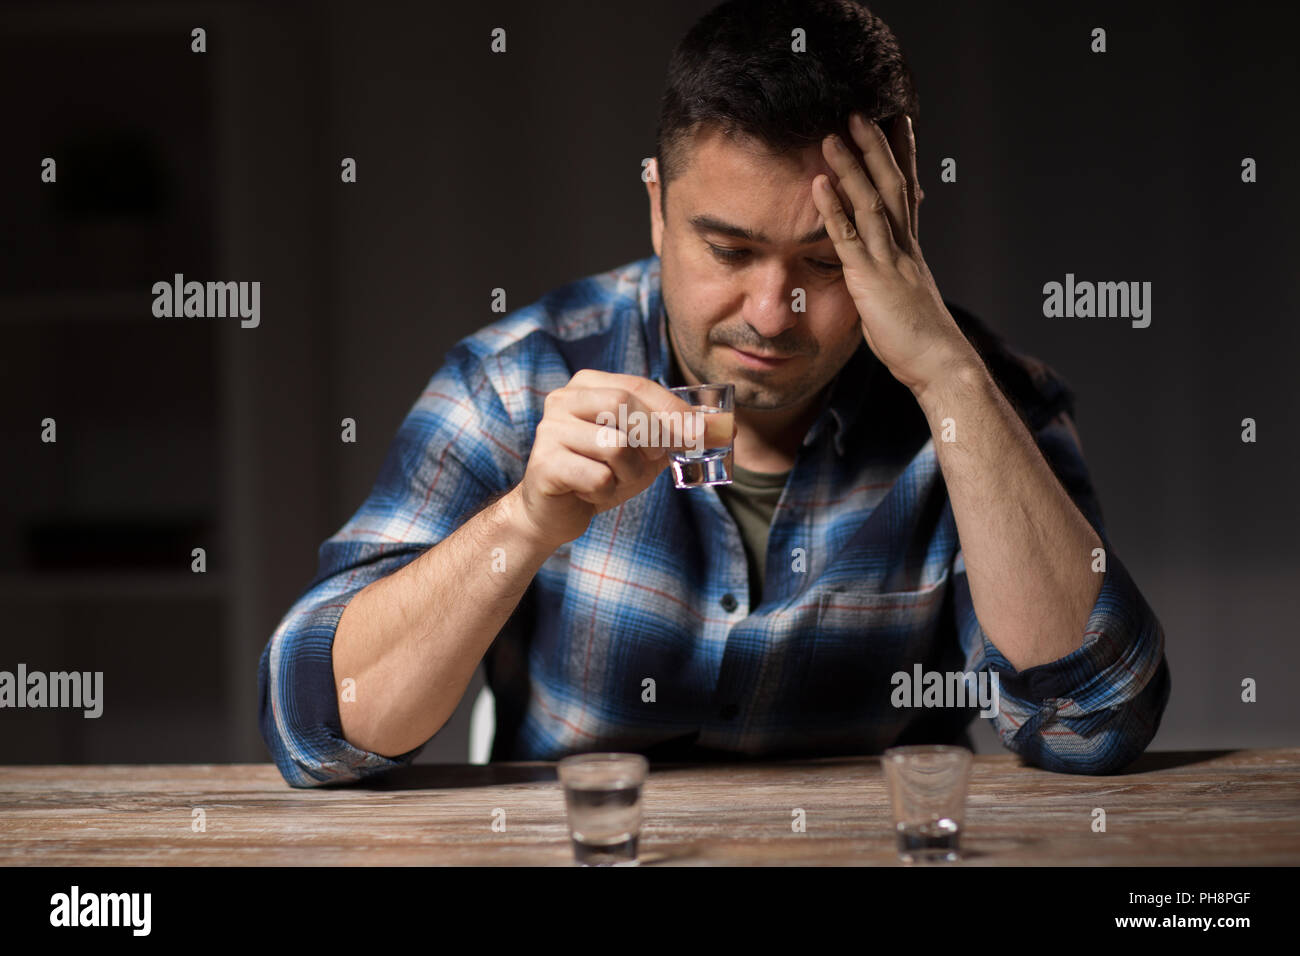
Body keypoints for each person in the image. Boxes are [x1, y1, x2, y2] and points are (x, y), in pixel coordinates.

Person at [259, 0, 1170, 787]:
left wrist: (947, 375)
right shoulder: (513, 379)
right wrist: (525, 521)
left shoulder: (989, 401)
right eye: (729, 252)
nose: (771, 315)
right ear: (657, 208)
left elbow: (1094, 724)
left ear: (899, 233)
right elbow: (314, 733)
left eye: (827, 260)